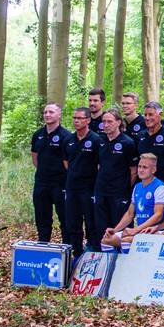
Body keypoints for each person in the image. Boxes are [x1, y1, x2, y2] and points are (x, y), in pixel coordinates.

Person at [91, 110, 139, 251]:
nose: (106, 125)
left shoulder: (127, 142)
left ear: (118, 122)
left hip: (119, 193)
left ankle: (122, 257)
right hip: (101, 191)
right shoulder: (100, 141)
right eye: (104, 122)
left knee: (119, 228)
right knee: (101, 228)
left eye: (110, 121)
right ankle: (104, 257)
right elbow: (99, 165)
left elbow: (133, 170)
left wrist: (124, 188)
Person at [102, 153, 164, 247]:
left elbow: (158, 215)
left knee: (126, 241)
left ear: (153, 170)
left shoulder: (160, 187)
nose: (141, 170)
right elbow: (129, 214)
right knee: (106, 241)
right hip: (140, 231)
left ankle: (128, 256)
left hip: (155, 230)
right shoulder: (137, 187)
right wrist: (115, 230)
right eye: (139, 166)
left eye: (145, 167)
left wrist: (135, 230)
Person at [30, 103, 72, 248]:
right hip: (41, 184)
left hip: (61, 184)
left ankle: (67, 250)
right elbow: (35, 158)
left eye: (51, 112)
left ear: (59, 115)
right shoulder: (38, 135)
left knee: (65, 219)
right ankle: (43, 247)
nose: (47, 115)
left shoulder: (66, 136)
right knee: (42, 219)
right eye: (45, 112)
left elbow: (69, 162)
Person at [62, 107, 100, 258]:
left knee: (91, 222)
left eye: (80, 118)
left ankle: (92, 252)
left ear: (88, 120)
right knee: (73, 222)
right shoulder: (68, 140)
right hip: (72, 188)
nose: (76, 121)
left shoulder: (96, 140)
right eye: (74, 118)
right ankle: (77, 253)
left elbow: (99, 164)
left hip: (89, 188)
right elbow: (66, 161)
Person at [134, 101, 164, 184]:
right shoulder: (140, 136)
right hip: (144, 184)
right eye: (145, 115)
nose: (147, 118)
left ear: (160, 115)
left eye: (150, 114)